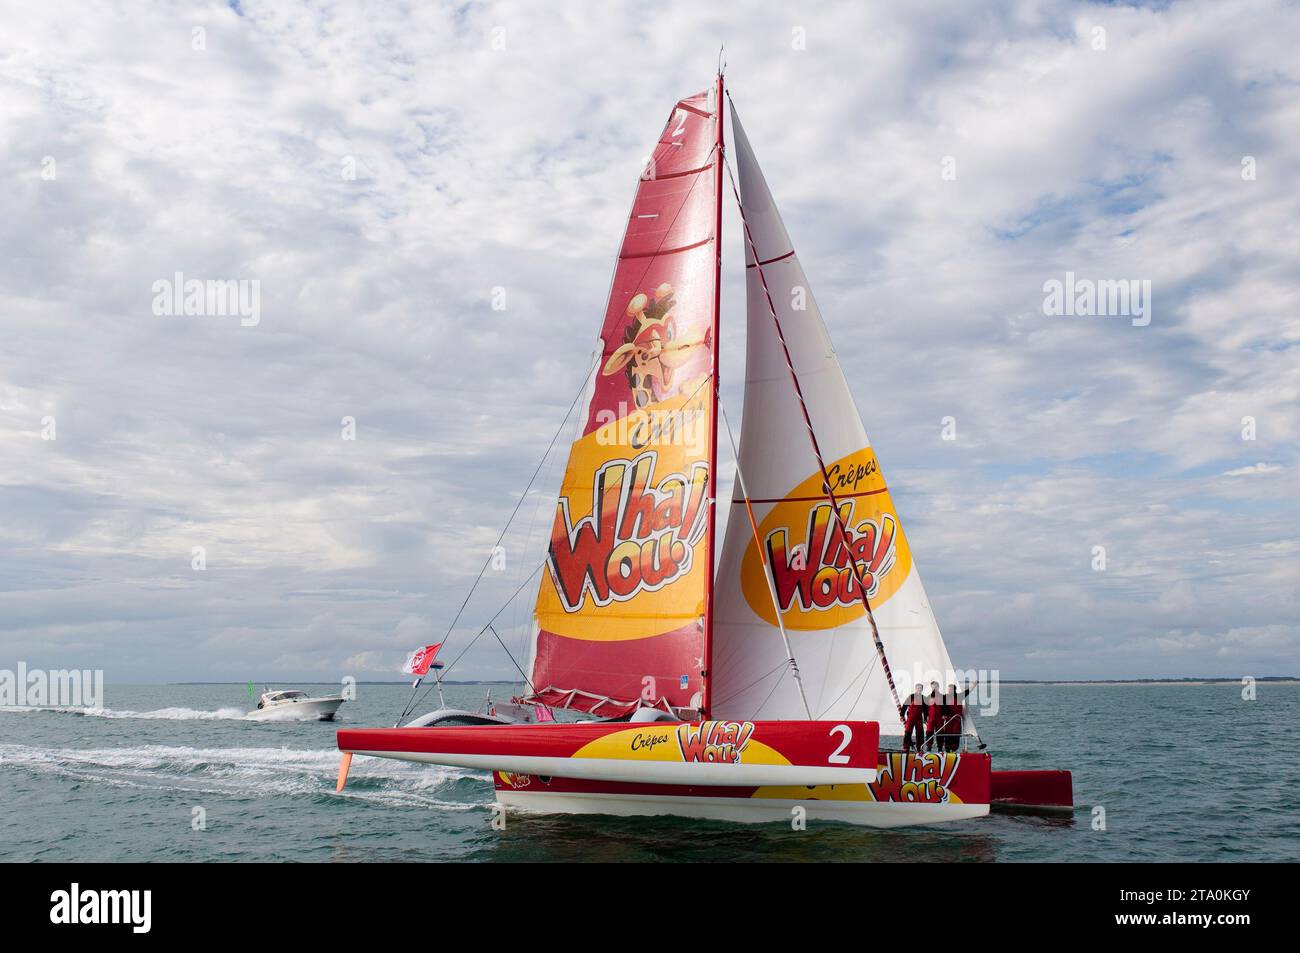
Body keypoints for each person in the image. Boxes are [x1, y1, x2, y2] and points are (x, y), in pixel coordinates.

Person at [938, 684, 965, 752]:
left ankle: (954, 750)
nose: (949, 691)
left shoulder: (959, 696)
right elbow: (941, 705)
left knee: (956, 733)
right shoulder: (945, 697)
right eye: (948, 689)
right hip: (948, 719)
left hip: (957, 719)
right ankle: (947, 750)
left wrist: (974, 685)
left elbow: (967, 691)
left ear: (954, 690)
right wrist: (943, 714)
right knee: (948, 733)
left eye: (950, 689)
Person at [901, 683, 926, 751]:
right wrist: (902, 715)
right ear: (916, 689)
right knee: (908, 732)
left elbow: (925, 710)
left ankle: (919, 748)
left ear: (922, 689)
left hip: (919, 718)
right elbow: (905, 706)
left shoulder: (924, 698)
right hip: (910, 718)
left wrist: (926, 719)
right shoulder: (911, 696)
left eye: (920, 688)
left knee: (920, 733)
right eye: (918, 688)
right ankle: (905, 747)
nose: (919, 689)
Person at [923, 680, 942, 751]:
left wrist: (944, 715)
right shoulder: (928, 697)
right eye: (933, 687)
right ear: (931, 688)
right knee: (929, 733)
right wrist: (925, 719)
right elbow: (925, 709)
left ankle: (940, 748)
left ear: (938, 687)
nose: (934, 689)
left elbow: (945, 707)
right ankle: (928, 748)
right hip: (930, 719)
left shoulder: (942, 697)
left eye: (936, 687)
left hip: (939, 718)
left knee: (940, 733)